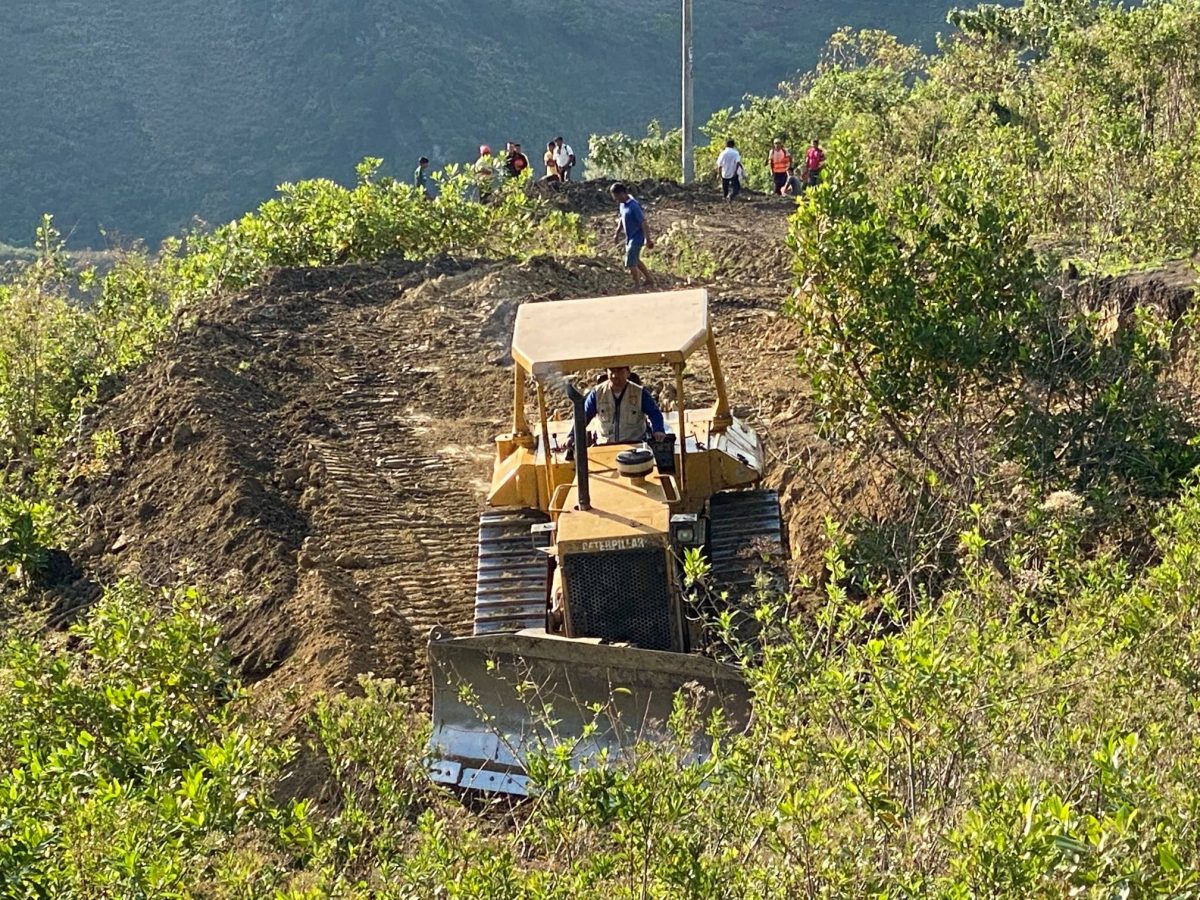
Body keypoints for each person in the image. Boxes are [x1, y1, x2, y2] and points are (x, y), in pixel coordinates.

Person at [584, 366, 667, 444]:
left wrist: (658, 430)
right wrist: (572, 436)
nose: (614, 375)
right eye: (612, 370)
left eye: (619, 371)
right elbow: (583, 417)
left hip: (635, 446)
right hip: (605, 446)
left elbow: (655, 414)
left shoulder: (640, 393)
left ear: (628, 372)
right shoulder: (597, 393)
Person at [610, 182, 655, 290]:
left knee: (630, 261)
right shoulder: (622, 205)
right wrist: (617, 233)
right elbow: (622, 219)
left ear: (622, 193)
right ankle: (649, 279)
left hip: (637, 238)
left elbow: (643, 222)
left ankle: (637, 285)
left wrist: (647, 239)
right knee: (636, 260)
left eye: (616, 196)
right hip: (629, 237)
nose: (616, 199)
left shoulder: (634, 205)